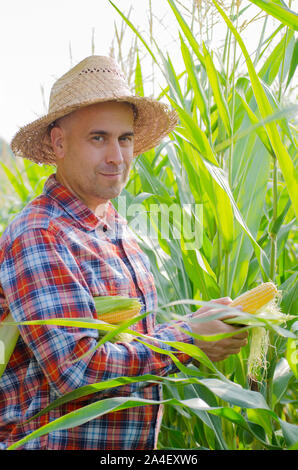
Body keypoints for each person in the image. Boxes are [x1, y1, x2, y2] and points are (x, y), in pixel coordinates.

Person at [0, 55, 247, 450]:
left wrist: (200, 323)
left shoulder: (116, 227)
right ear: (59, 142)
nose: (117, 156)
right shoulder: (40, 235)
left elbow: (132, 340)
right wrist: (188, 340)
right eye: (98, 138)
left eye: (125, 138)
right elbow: (77, 370)